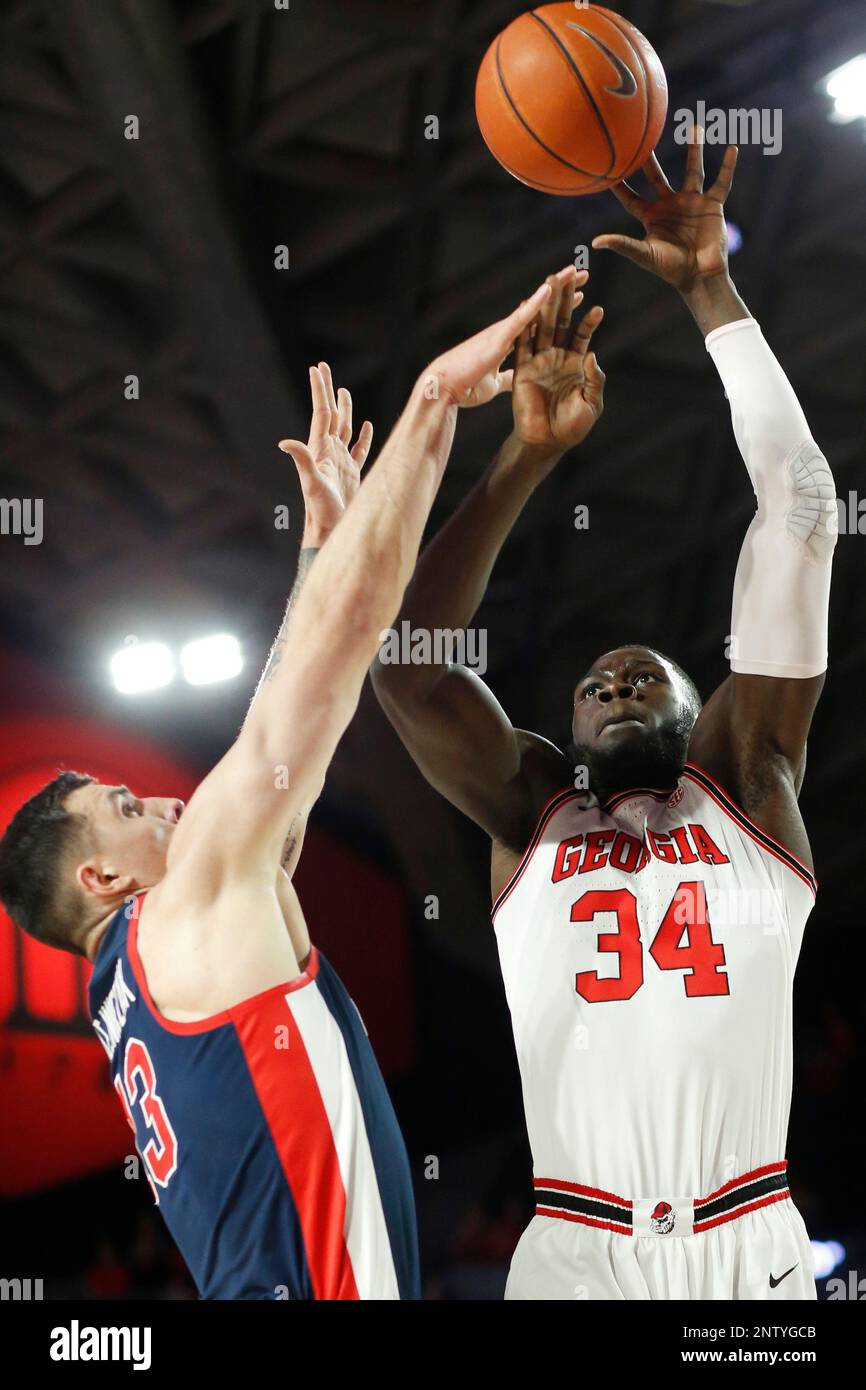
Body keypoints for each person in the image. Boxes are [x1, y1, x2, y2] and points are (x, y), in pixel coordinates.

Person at [0, 277, 554, 1300]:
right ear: (99, 875)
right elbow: (326, 671)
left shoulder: (144, 978)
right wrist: (433, 402)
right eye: (127, 808)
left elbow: (281, 774)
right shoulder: (181, 914)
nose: (163, 801)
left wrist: (321, 546)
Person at [372, 133, 837, 1300]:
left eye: (643, 676)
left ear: (704, 703)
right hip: (576, 1253)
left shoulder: (751, 775)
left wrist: (712, 296)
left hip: (751, 1247)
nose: (618, 684)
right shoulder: (532, 812)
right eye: (596, 683)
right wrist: (521, 460)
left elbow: (799, 508)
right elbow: (408, 669)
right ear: (563, 735)